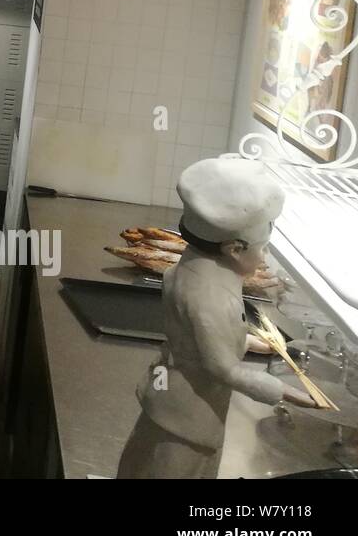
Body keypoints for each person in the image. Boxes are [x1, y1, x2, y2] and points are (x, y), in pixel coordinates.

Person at [116, 158, 320, 479]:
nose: (265, 256)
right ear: (235, 250)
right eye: (263, 248)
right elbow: (221, 367)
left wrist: (253, 342)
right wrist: (283, 391)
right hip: (189, 412)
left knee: (143, 462)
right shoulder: (213, 297)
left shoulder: (189, 266)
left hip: (167, 392)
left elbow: (198, 338)